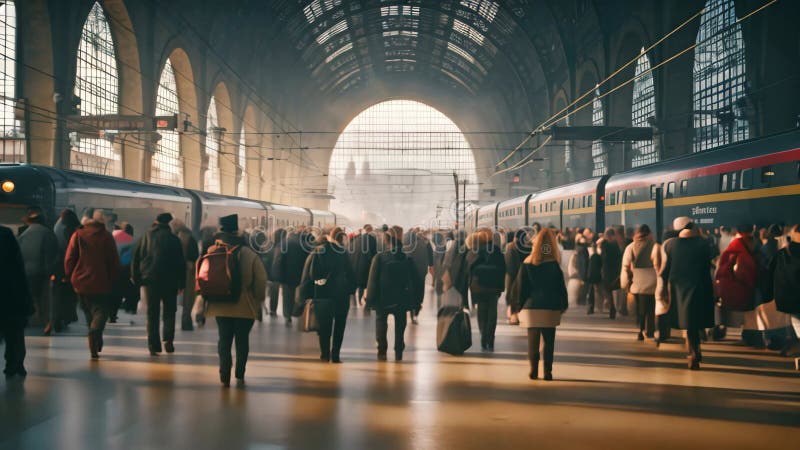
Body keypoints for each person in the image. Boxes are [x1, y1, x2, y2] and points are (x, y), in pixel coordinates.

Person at [205, 214, 266, 387]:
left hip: (220, 304)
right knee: (242, 340)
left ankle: (224, 374)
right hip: (244, 305)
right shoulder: (249, 253)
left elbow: (204, 277)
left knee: (224, 339)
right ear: (237, 231)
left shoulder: (212, 251)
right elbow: (261, 279)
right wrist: (258, 299)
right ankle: (240, 372)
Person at [511, 228, 568, 381]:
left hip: (531, 307)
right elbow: (561, 288)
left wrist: (518, 307)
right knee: (549, 342)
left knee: (533, 341)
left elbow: (520, 288)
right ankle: (548, 372)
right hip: (550, 306)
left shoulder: (527, 263)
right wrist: (563, 305)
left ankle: (533, 370)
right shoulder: (554, 265)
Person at [658, 217, 715, 370]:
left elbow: (664, 272)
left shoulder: (670, 245)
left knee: (688, 323)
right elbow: (710, 264)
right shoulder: (704, 244)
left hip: (679, 290)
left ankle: (693, 354)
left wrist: (662, 290)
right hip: (701, 286)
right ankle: (696, 351)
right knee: (696, 322)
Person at [64, 210, 120, 359]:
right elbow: (113, 260)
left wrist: (69, 276)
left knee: (89, 312)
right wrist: (114, 278)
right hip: (102, 280)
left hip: (80, 281)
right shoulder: (106, 236)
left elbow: (70, 258)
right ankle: (95, 334)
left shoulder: (78, 235)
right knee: (101, 311)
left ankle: (93, 345)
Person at [131, 213, 186, 355]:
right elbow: (181, 263)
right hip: (170, 280)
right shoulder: (174, 239)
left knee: (152, 312)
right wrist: (182, 283)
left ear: (156, 221)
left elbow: (136, 256)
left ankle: (153, 344)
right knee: (169, 311)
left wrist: (136, 277)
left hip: (150, 280)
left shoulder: (146, 236)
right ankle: (168, 339)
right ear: (169, 223)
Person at [366, 226, 422, 361]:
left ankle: (382, 350)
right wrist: (417, 301)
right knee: (400, 324)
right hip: (401, 298)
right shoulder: (407, 259)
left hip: (382, 299)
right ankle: (398, 351)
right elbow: (417, 281)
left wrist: (369, 300)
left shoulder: (378, 258)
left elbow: (372, 281)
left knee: (381, 323)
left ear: (386, 241)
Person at [299, 227, 356, 363]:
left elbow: (309, 276)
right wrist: (350, 290)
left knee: (324, 327)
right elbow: (351, 275)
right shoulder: (342, 252)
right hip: (341, 295)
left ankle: (324, 354)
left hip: (322, 294)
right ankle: (335, 355)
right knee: (339, 325)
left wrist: (303, 297)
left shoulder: (316, 252)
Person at [16, 208, 60, 334]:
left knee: (27, 297)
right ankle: (47, 324)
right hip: (42, 273)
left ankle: (26, 320)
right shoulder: (48, 234)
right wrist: (51, 272)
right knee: (44, 300)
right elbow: (51, 255)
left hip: (25, 273)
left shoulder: (23, 235)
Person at [0, 225, 34, 378]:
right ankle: (15, 363)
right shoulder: (5, 234)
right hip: (9, 291)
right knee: (14, 331)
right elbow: (18, 268)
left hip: (9, 291)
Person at [465, 228, 506, 351]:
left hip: (478, 287)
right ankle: (490, 339)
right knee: (492, 313)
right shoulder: (497, 250)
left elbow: (469, 269)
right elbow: (502, 269)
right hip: (493, 287)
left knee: (481, 312)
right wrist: (501, 288)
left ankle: (483, 336)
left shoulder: (474, 250)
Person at [620, 224, 661, 341]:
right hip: (652, 283)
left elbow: (625, 267)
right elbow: (658, 265)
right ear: (649, 234)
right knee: (651, 309)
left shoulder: (630, 247)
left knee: (641, 309)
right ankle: (650, 331)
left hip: (637, 283)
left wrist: (625, 283)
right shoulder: (655, 246)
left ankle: (641, 330)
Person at [771, 224, 800, 367]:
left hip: (791, 299)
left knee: (797, 325)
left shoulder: (783, 252)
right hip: (793, 299)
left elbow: (772, 271)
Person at [274, 228, 312, 324]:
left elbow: (279, 260)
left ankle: (287, 315)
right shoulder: (304, 245)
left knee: (287, 296)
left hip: (287, 275)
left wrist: (278, 275)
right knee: (299, 294)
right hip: (300, 275)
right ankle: (297, 312)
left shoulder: (284, 243)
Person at [52, 209, 81, 330]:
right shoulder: (74, 230)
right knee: (69, 295)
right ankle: (66, 318)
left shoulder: (57, 227)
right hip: (71, 267)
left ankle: (58, 318)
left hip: (59, 267)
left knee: (59, 295)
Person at [172, 220, 199, 330]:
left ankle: (170, 323)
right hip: (188, 270)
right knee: (188, 299)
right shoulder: (190, 238)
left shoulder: (173, 238)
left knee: (171, 298)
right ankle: (186, 322)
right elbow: (195, 255)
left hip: (173, 270)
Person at [403, 230, 432, 324]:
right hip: (421, 271)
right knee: (419, 293)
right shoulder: (426, 243)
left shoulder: (406, 242)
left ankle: (412, 311)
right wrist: (431, 266)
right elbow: (431, 256)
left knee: (411, 291)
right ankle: (415, 311)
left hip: (409, 272)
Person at [505, 227, 533, 325]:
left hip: (513, 276)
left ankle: (514, 317)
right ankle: (519, 316)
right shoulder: (529, 247)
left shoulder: (510, 247)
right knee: (522, 295)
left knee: (512, 296)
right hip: (525, 275)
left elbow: (509, 264)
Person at [110, 223, 135, 322]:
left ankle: (111, 314)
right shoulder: (131, 239)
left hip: (112, 268)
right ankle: (129, 308)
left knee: (113, 292)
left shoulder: (111, 237)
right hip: (126, 269)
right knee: (122, 291)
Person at [349, 225, 378, 307]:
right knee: (363, 285)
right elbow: (374, 255)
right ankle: (361, 303)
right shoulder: (372, 239)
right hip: (365, 266)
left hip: (354, 265)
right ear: (371, 230)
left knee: (356, 285)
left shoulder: (356, 239)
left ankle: (354, 303)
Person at [598, 227, 623, 319]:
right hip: (615, 271)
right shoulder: (616, 245)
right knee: (615, 291)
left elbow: (603, 258)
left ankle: (611, 307)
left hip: (607, 271)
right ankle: (614, 308)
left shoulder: (605, 245)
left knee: (607, 290)